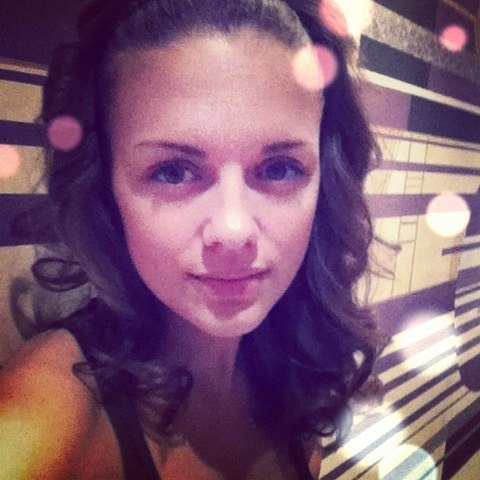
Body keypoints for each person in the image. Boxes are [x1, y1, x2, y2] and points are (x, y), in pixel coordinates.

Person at [0, 1, 385, 478]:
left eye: (279, 168)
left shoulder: (294, 376)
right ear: (105, 189)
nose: (233, 230)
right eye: (173, 171)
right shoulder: (41, 425)